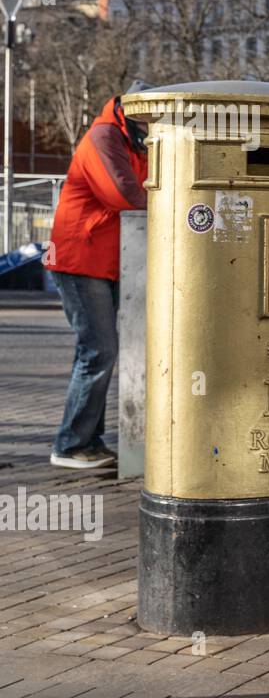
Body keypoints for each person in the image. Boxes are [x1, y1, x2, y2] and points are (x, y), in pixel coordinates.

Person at [45, 86, 151, 470]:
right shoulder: (105, 136)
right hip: (80, 257)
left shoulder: (135, 140)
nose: (150, 125)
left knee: (98, 351)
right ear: (130, 110)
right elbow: (123, 193)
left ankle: (86, 440)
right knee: (98, 350)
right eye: (146, 117)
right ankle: (71, 444)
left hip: (107, 260)